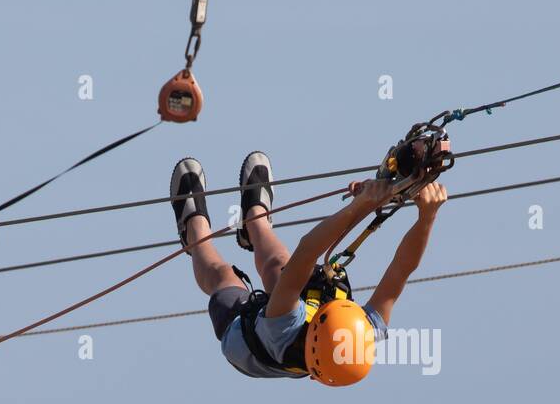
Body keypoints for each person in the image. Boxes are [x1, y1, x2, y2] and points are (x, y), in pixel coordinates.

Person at [170, 152, 447, 385]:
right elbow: (402, 270)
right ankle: (255, 220)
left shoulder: (282, 329)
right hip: (303, 332)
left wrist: (359, 206)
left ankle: (193, 228)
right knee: (278, 264)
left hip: (244, 342)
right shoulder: (362, 334)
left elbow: (307, 251)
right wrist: (427, 216)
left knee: (223, 276)